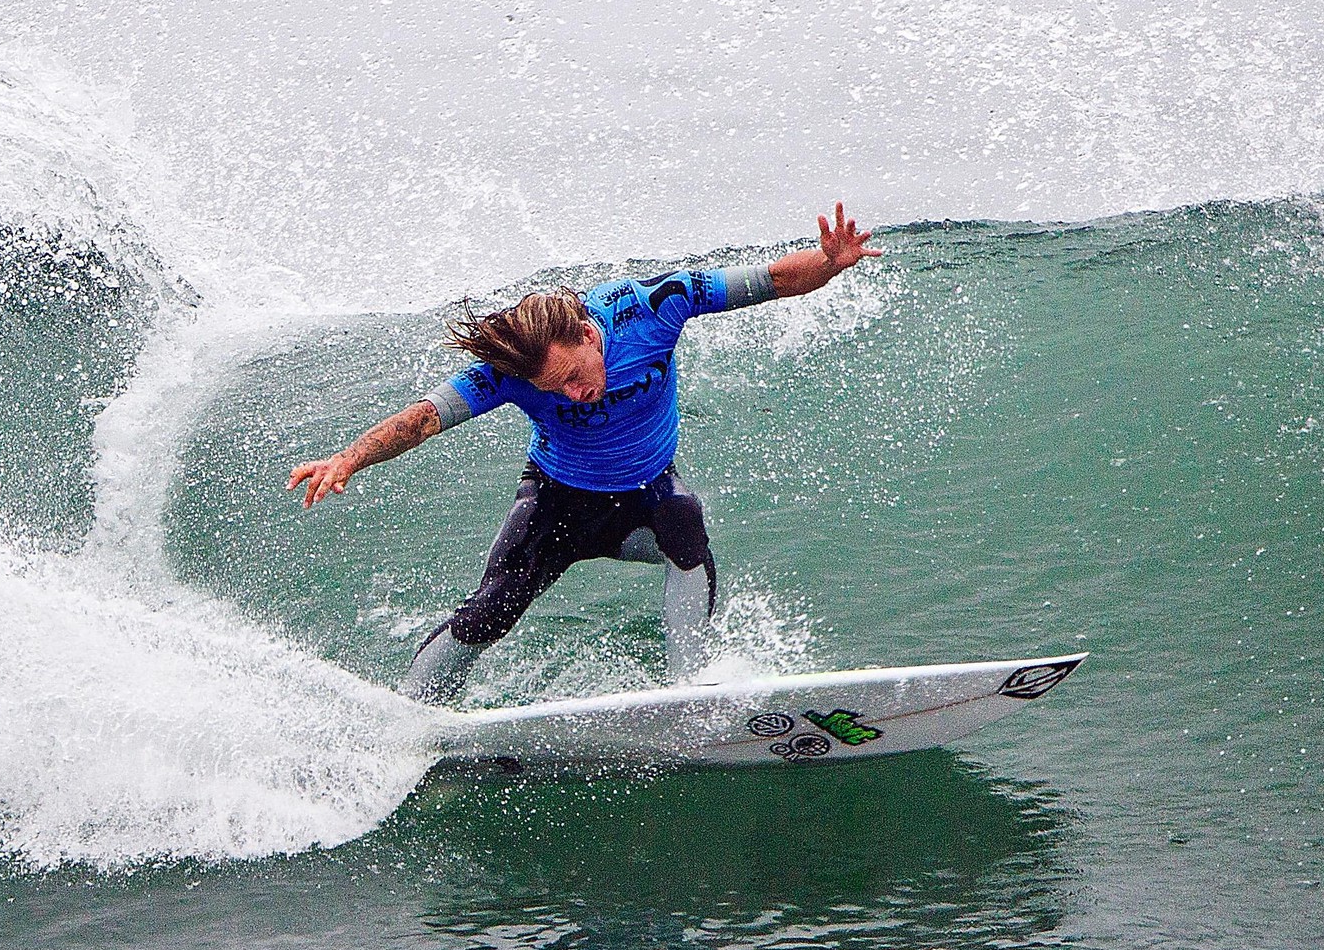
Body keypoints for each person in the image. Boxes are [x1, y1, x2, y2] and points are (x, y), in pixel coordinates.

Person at [289, 203, 882, 704]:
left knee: (685, 527)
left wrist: (828, 264)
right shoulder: (513, 373)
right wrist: (348, 458)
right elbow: (424, 418)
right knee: (488, 612)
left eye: (573, 376)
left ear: (591, 335)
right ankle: (415, 712)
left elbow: (775, 280)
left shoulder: (652, 306)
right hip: (558, 504)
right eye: (557, 391)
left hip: (645, 499)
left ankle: (690, 695)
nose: (574, 394)